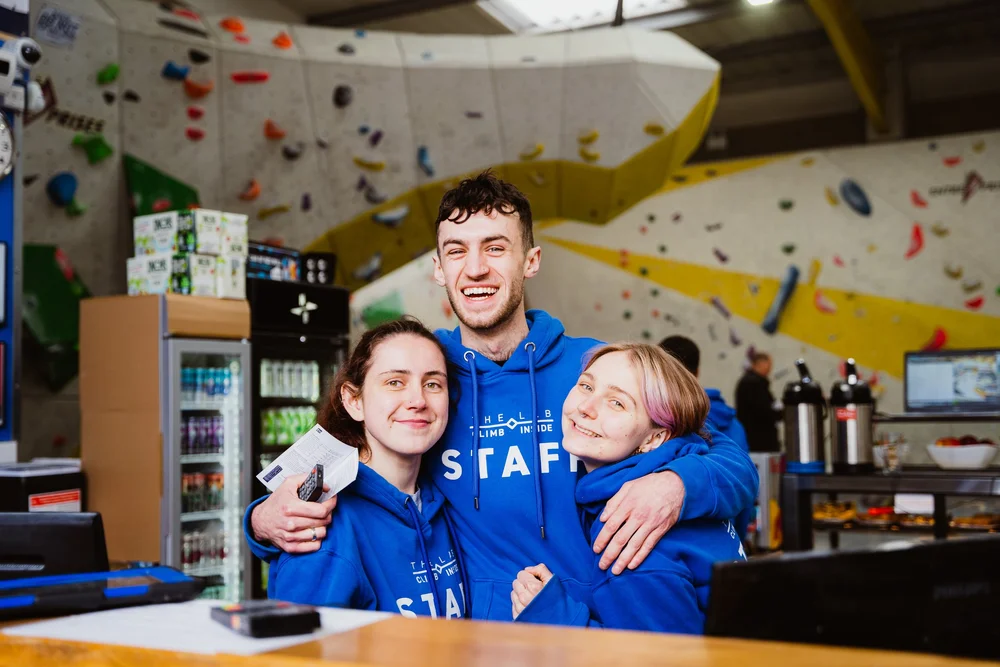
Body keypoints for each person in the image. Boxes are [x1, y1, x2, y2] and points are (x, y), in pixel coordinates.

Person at [245, 171, 758, 622]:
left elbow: (732, 462)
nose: (475, 269)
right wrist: (260, 520)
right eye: (456, 251)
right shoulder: (424, 376)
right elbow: (316, 472)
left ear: (530, 260)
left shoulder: (595, 372)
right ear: (439, 270)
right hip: (483, 643)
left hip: (604, 632)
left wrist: (675, 485)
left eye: (495, 247)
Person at [510, 343, 746, 633]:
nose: (585, 408)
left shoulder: (632, 542)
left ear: (654, 439)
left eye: (617, 403)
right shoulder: (687, 479)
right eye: (586, 386)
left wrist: (557, 618)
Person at [267, 318, 468, 618]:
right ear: (353, 401)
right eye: (394, 382)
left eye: (432, 383)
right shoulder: (323, 530)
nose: (418, 400)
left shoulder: (447, 504)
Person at [659, 335, 751, 538]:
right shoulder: (733, 424)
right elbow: (745, 493)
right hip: (726, 543)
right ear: (697, 371)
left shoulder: (656, 422)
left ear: (656, 370)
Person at [735, 351, 782, 453]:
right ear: (761, 364)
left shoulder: (750, 381)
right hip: (759, 440)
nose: (770, 368)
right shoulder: (754, 383)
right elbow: (763, 411)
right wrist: (780, 414)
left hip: (752, 437)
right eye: (769, 364)